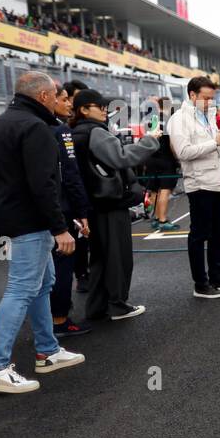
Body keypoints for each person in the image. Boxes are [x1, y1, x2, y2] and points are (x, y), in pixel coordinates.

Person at [0, 72, 84, 393]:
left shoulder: (0, 122)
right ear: (45, 97)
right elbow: (43, 183)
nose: (58, 99)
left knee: (43, 283)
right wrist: (60, 227)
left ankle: (47, 351)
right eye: (55, 94)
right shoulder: (36, 127)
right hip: (30, 219)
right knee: (22, 288)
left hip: (12, 214)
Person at [70, 89, 161, 321]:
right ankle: (117, 305)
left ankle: (97, 307)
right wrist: (151, 140)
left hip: (91, 204)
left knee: (100, 258)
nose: (104, 110)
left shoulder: (75, 132)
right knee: (118, 257)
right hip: (110, 203)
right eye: (98, 106)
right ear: (83, 109)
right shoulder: (96, 132)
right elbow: (122, 157)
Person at [169, 76, 220, 299]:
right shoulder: (179, 119)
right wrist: (216, 142)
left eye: (212, 98)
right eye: (206, 98)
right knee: (200, 234)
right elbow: (183, 152)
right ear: (192, 95)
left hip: (217, 182)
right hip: (198, 184)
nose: (210, 102)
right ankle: (200, 283)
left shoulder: (208, 116)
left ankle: (216, 277)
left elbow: (217, 150)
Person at [48, 84, 92, 336]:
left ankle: (49, 321)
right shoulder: (61, 130)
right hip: (60, 209)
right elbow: (71, 174)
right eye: (64, 100)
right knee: (62, 265)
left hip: (33, 211)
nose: (69, 105)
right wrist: (81, 210)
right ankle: (60, 320)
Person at [139, 96, 179, 232]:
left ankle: (156, 219)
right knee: (165, 190)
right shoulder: (170, 120)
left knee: (155, 190)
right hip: (165, 158)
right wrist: (178, 158)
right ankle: (162, 219)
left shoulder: (151, 119)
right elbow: (172, 143)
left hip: (151, 159)